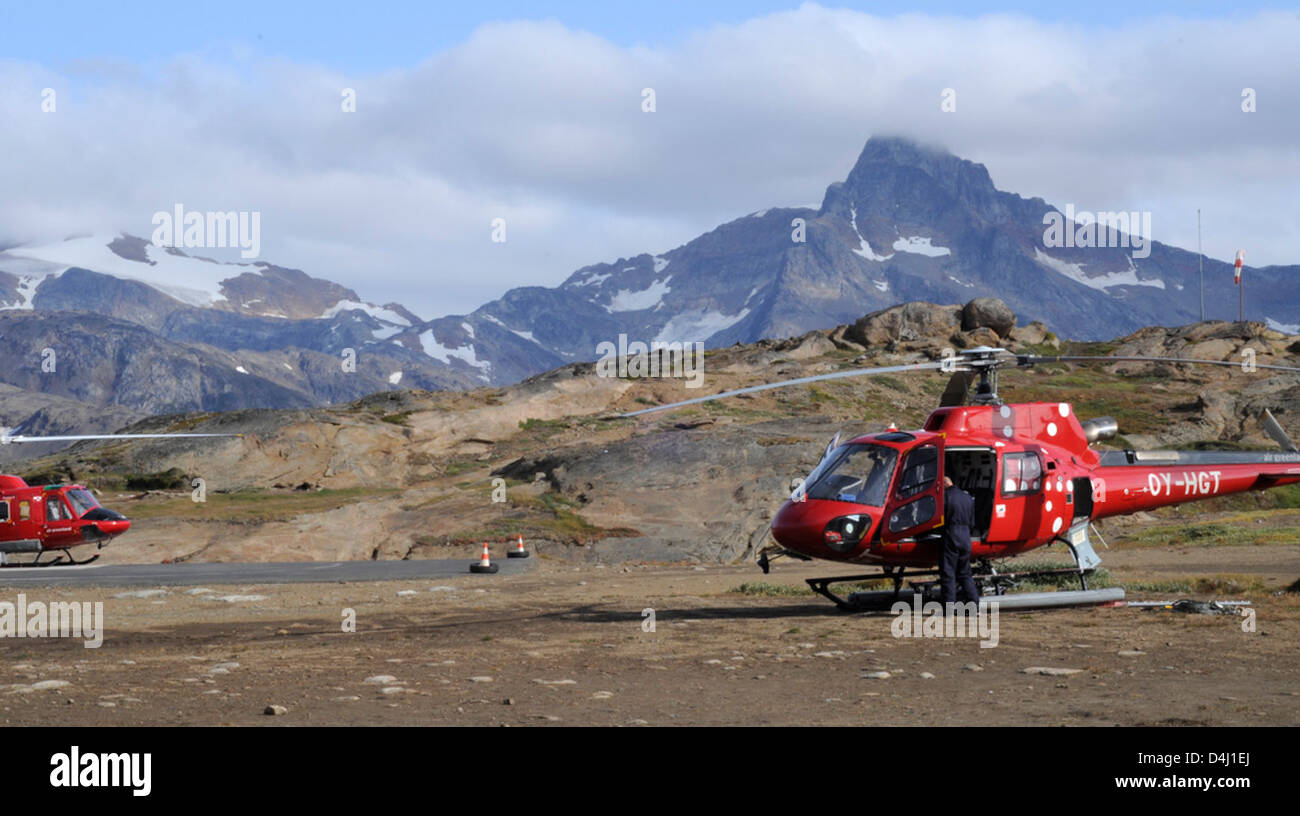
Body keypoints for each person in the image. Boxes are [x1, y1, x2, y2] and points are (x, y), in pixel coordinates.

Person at [939, 475, 980, 608]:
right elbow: (973, 522)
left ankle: (949, 607)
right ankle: (974, 605)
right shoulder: (967, 498)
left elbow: (939, 520)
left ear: (944, 484)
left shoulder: (944, 498)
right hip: (965, 537)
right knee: (965, 573)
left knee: (948, 572)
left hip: (951, 534)